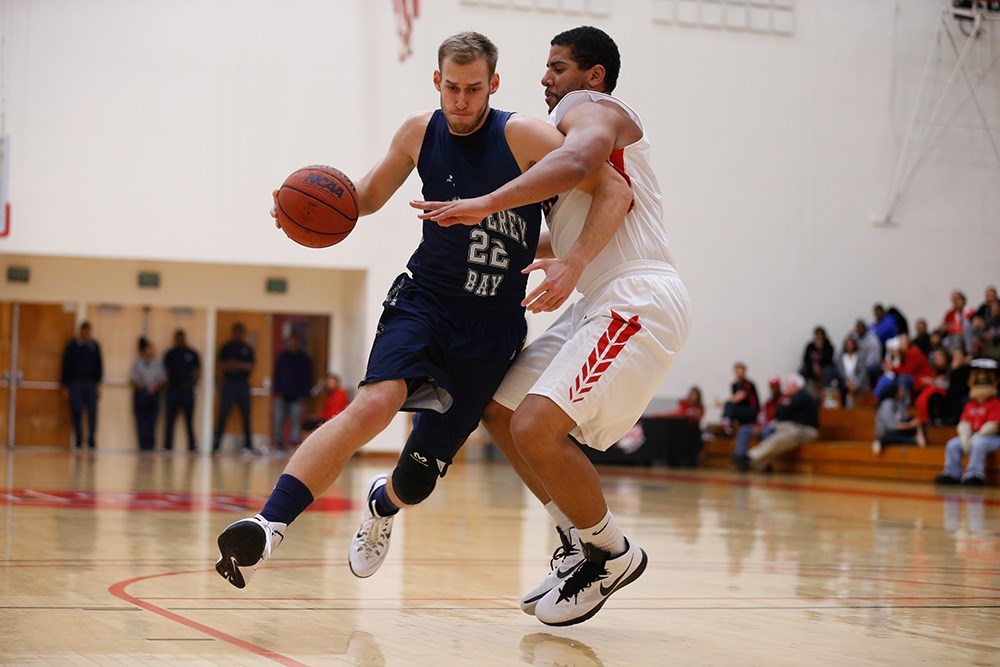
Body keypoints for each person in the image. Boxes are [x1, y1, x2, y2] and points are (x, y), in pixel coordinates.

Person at [214, 31, 633, 610]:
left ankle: (383, 507)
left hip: (491, 327)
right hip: (425, 302)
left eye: (474, 89)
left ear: (494, 85)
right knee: (373, 404)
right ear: (437, 82)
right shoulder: (419, 132)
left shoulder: (525, 136)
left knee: (414, 481)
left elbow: (612, 189)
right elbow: (360, 198)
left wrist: (569, 258)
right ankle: (269, 526)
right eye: (452, 88)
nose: (461, 101)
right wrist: (300, 207)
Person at [415, 26, 691, 626]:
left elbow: (584, 162)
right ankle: (577, 540)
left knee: (539, 424)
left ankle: (611, 550)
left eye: (558, 67)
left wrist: (488, 202)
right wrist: (487, 236)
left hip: (637, 294)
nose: (546, 79)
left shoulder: (590, 110)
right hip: (599, 296)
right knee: (503, 409)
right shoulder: (562, 136)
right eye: (546, 68)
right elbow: (576, 221)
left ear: (593, 76)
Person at [934, 358, 1000, 486]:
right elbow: (964, 423)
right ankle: (952, 473)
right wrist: (965, 437)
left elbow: (994, 425)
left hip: (993, 437)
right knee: (952, 444)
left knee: (978, 444)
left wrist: (976, 437)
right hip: (974, 435)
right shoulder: (970, 404)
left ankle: (975, 474)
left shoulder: (996, 403)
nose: (981, 378)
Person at [744, 373, 819, 472]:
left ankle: (751, 457)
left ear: (795, 386)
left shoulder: (803, 397)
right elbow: (779, 413)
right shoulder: (789, 398)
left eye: (788, 385)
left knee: (780, 439)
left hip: (805, 430)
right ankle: (760, 464)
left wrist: (785, 404)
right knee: (774, 437)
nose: (786, 388)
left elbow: (784, 411)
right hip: (790, 428)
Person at [212, 322, 255, 454]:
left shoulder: (247, 348)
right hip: (229, 384)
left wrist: (233, 364)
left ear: (243, 333)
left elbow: (249, 367)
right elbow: (222, 366)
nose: (238, 334)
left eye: (240, 332)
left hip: (243, 384)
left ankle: (248, 445)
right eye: (236, 331)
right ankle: (216, 445)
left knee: (246, 415)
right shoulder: (226, 348)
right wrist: (239, 365)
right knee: (223, 414)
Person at [60, 321, 103, 450]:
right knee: (76, 410)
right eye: (84, 331)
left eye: (88, 331)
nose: (86, 333)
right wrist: (65, 385)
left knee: (92, 413)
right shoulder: (72, 346)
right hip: (75, 383)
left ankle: (91, 439)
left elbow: (99, 366)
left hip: (90, 383)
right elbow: (65, 366)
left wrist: (97, 385)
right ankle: (78, 439)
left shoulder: (94, 346)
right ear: (80, 331)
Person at [271, 330, 314, 452]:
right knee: (278, 419)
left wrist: (305, 395)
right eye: (291, 341)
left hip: (297, 395)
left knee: (295, 421)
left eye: (296, 341)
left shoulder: (304, 359)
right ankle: (277, 443)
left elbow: (307, 378)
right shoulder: (282, 357)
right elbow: (277, 375)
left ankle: (293, 443)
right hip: (281, 394)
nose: (293, 344)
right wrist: (277, 391)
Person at [163, 328, 201, 452]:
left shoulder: (191, 353)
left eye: (181, 338)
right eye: (177, 338)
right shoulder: (170, 353)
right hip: (173, 390)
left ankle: (192, 446)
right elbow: (166, 371)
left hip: (187, 390)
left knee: (189, 420)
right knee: (170, 420)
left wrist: (193, 384)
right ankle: (167, 446)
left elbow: (197, 370)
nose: (179, 340)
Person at [130, 337, 166, 452]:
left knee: (153, 420)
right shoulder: (137, 363)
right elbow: (134, 379)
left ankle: (151, 446)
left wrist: (154, 387)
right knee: (141, 421)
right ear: (144, 350)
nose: (151, 351)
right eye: (149, 348)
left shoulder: (158, 363)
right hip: (141, 393)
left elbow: (162, 379)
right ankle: (142, 446)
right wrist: (144, 387)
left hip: (154, 394)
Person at [871, 381, 922, 455]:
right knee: (911, 441)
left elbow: (904, 419)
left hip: (897, 430)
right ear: (895, 391)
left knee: (913, 421)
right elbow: (892, 426)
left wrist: (913, 424)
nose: (903, 392)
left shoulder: (899, 403)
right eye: (901, 390)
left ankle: (918, 438)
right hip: (887, 433)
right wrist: (911, 425)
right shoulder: (887, 404)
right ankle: (880, 441)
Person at [835, 336, 866, 408]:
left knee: (857, 390)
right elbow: (839, 371)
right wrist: (846, 381)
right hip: (844, 381)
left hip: (856, 381)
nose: (849, 346)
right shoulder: (841, 356)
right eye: (848, 344)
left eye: (851, 344)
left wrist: (856, 383)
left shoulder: (859, 356)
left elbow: (863, 372)